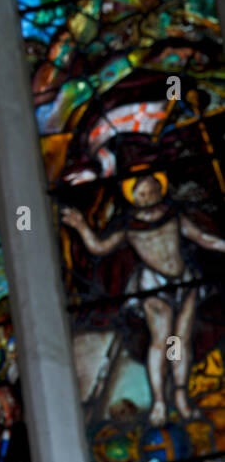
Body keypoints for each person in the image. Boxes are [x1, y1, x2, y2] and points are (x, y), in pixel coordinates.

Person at [62, 172, 225, 427]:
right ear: (132, 197)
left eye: (152, 191)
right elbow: (100, 249)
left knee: (179, 343)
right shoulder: (128, 226)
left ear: (161, 190)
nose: (148, 198)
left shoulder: (174, 215)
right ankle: (160, 401)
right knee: (161, 342)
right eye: (142, 193)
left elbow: (203, 239)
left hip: (184, 282)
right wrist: (82, 225)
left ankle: (180, 399)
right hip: (154, 287)